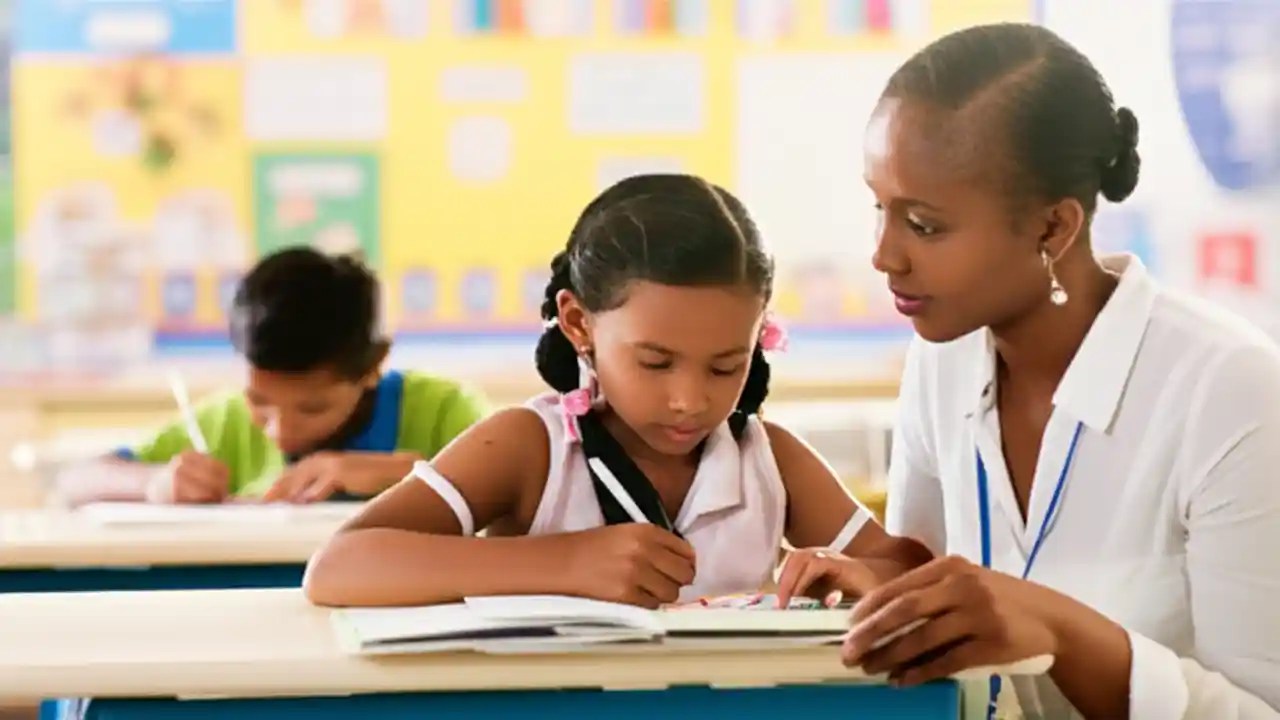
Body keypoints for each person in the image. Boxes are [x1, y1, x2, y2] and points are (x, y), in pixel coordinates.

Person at [778, 22, 1280, 719]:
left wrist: (1061, 633)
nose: (883, 255)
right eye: (879, 208)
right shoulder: (942, 356)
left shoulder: (1230, 389)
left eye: (923, 225)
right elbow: (933, 580)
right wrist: (876, 590)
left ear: (1053, 229)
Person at [302, 174, 931, 609]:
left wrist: (861, 575)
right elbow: (341, 566)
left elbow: (905, 568)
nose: (689, 400)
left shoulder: (768, 457)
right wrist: (562, 565)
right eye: (656, 363)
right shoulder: (532, 446)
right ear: (579, 323)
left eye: (724, 366)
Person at [59, 247, 488, 505]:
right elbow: (76, 481)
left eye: (313, 407)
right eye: (261, 402)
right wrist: (154, 482)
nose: (279, 432)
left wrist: (407, 473)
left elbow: (528, 496)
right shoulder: (226, 421)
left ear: (374, 367)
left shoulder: (444, 411)